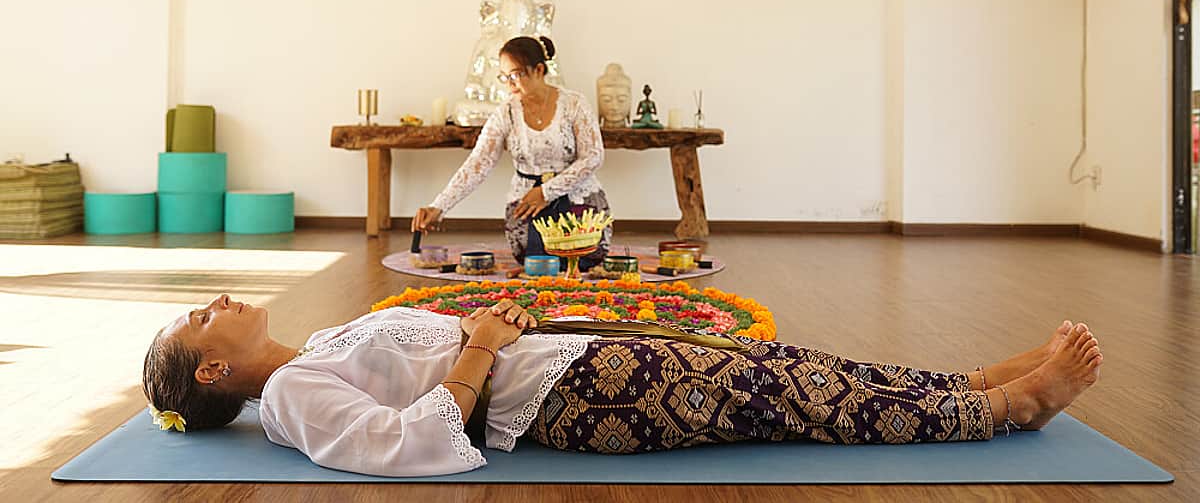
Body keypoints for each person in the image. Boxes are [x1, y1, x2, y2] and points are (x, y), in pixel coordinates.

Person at [142, 294, 1103, 478]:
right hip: (575, 398)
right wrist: (477, 345)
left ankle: (963, 380)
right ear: (213, 369)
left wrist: (490, 332)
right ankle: (1005, 408)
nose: (216, 301)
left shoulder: (307, 354)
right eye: (198, 318)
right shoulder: (295, 399)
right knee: (791, 398)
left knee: (787, 366)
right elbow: (408, 447)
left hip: (567, 358)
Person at [414, 35, 611, 268]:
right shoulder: (505, 113)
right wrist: (439, 206)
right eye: (504, 77)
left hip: (580, 202)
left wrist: (547, 192)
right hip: (526, 207)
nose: (509, 84)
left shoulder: (574, 104)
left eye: (516, 75)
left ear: (538, 69)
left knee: (588, 259)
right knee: (533, 263)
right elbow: (478, 163)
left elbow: (593, 156)